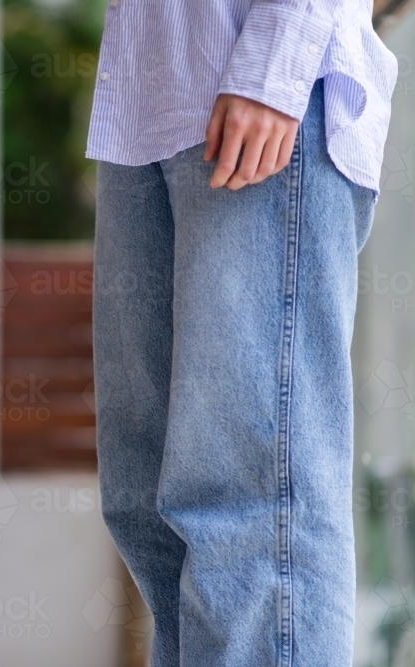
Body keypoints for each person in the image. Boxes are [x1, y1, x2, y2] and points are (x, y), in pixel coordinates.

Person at [86, 1, 398, 665]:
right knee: (145, 503)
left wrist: (273, 69)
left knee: (254, 503)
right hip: (142, 96)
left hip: (261, 85)